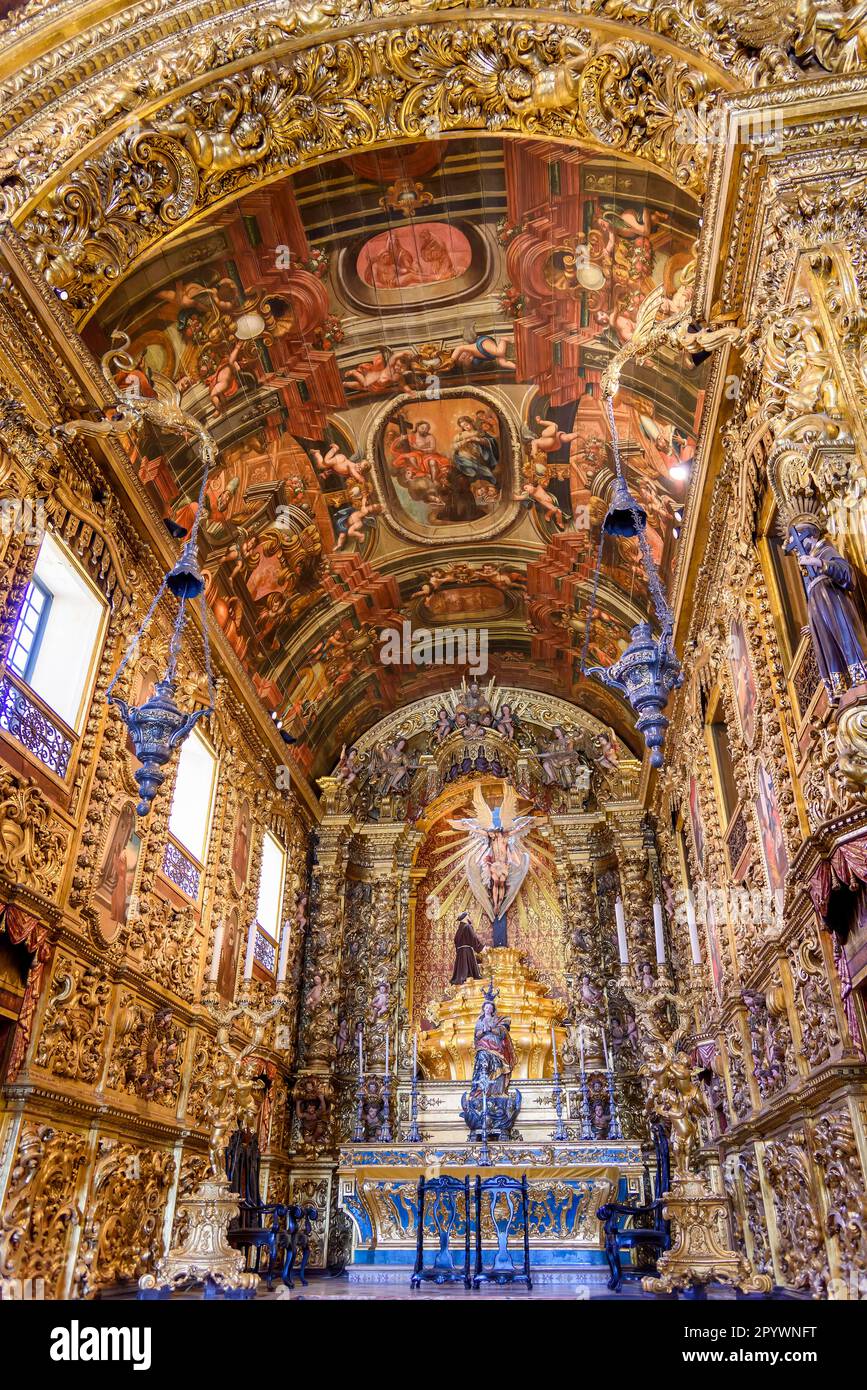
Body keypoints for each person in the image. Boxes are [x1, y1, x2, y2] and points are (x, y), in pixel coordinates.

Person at [451, 911, 485, 985]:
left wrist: (459, 952)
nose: (469, 917)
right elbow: (473, 938)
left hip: (460, 954)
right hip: (467, 953)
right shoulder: (467, 926)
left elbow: (456, 942)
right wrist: (481, 948)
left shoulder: (458, 930)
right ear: (465, 917)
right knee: (469, 974)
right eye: (468, 916)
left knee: (461, 974)